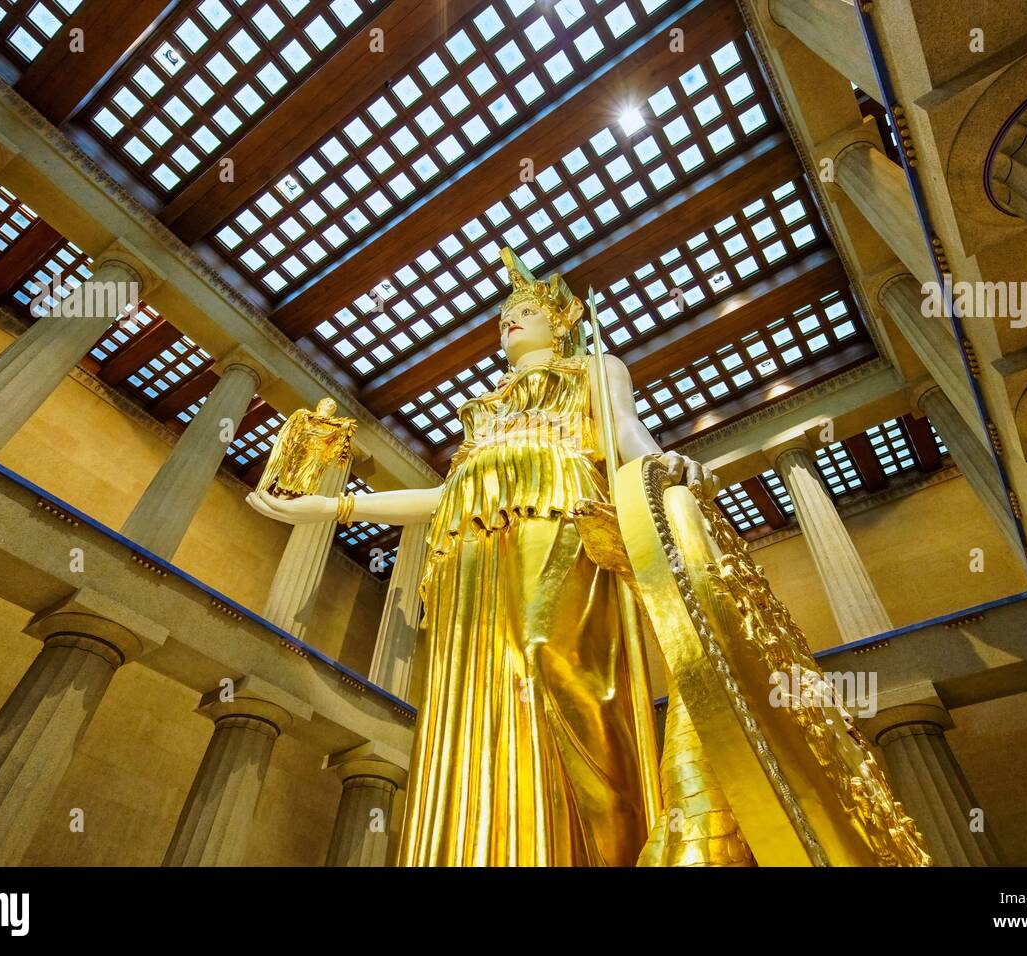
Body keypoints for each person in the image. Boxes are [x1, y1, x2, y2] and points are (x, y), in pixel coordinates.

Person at [247, 249, 721, 865]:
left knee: (551, 659)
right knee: (470, 698)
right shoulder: (486, 411)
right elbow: (448, 494)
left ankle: (610, 848)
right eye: (503, 317)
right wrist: (335, 510)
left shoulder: (593, 371)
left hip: (560, 518)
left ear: (563, 320)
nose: (508, 323)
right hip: (471, 547)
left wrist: (660, 467)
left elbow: (623, 431)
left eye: (523, 310)